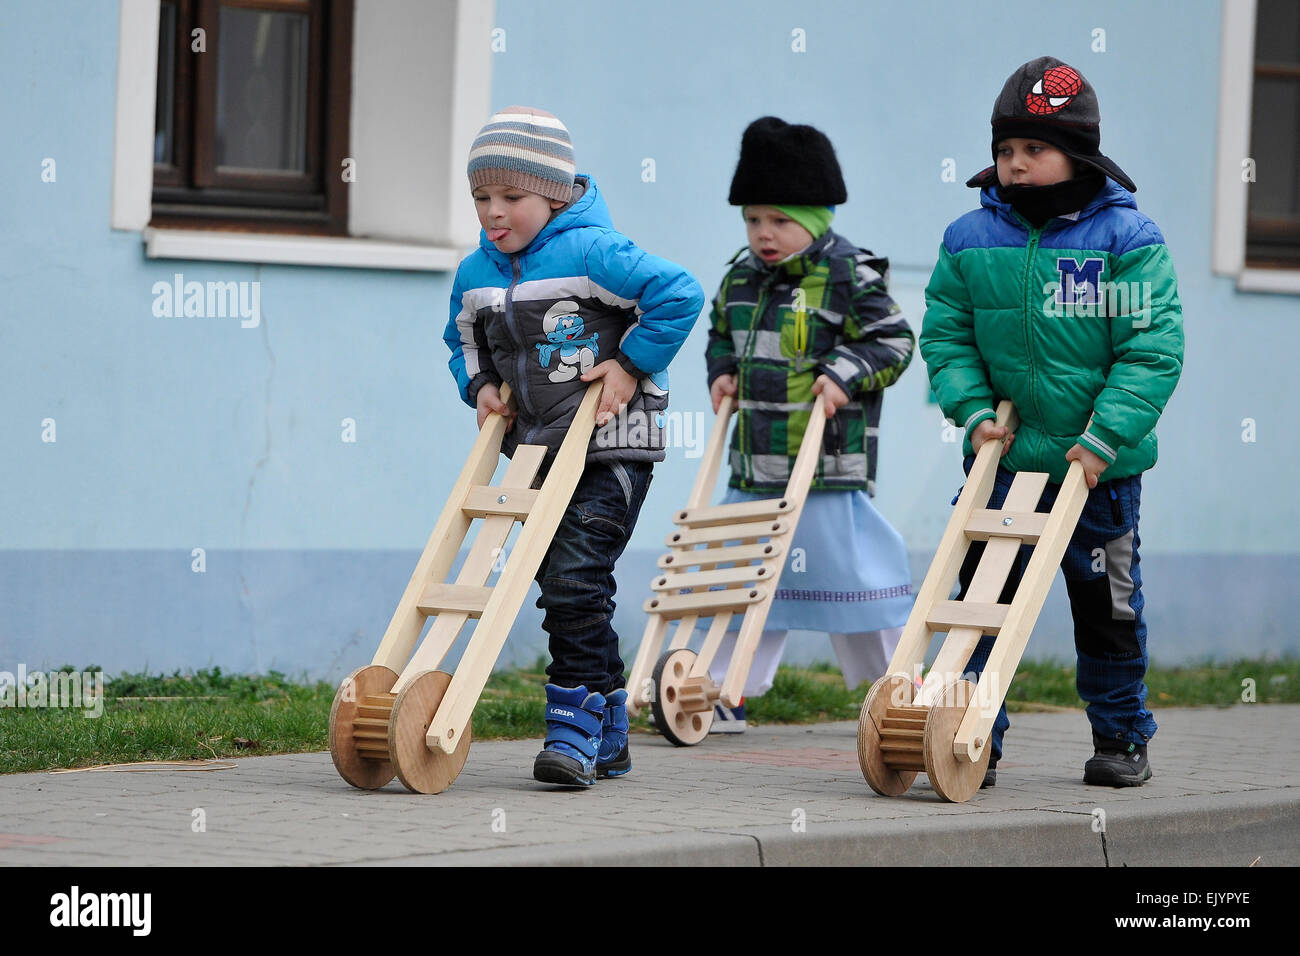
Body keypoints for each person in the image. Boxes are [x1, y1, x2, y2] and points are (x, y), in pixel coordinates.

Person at [921, 57, 1184, 787]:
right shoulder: (971, 239)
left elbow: (1151, 350)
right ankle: (970, 732)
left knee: (1106, 613)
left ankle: (1121, 734)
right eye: (1005, 151)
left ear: (1078, 153)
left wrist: (1104, 438)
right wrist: (972, 412)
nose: (1015, 165)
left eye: (1034, 150)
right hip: (1005, 466)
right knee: (975, 604)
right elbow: (946, 335)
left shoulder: (1124, 240)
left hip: (1097, 469)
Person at [444, 106, 704, 785]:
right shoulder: (476, 270)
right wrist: (481, 388)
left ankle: (574, 724)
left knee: (573, 577)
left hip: (614, 441)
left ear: (555, 195)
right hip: (539, 446)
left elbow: (678, 292)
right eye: (481, 197)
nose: (493, 212)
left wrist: (629, 364)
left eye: (511, 197)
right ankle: (611, 727)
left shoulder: (593, 252)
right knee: (560, 580)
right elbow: (463, 338)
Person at [704, 117, 916, 732]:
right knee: (741, 575)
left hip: (825, 464)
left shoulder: (850, 273)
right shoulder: (740, 276)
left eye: (780, 221)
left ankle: (900, 689)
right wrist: (721, 370)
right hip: (756, 460)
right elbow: (723, 329)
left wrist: (846, 372)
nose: (763, 235)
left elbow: (894, 341)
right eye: (753, 220)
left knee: (854, 577)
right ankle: (719, 690)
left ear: (818, 218)